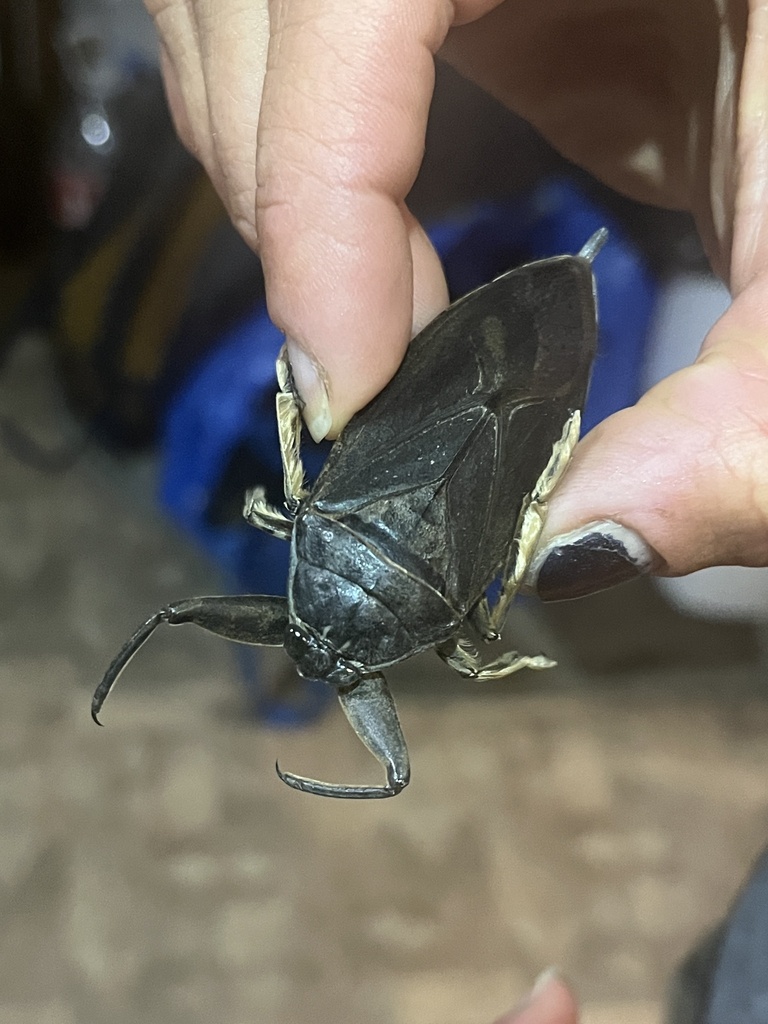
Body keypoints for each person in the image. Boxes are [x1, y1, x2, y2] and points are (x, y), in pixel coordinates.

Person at [143, 1, 767, 1020]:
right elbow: (304, 466)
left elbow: (443, 634)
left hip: (438, 484)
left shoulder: (420, 607)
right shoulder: (321, 530)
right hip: (381, 484)